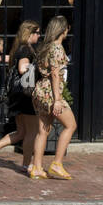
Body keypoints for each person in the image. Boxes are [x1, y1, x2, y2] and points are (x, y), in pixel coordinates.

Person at [0, 20, 40, 171]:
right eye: (37, 33)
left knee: (22, 132)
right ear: (30, 33)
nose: (39, 36)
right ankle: (27, 164)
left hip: (17, 95)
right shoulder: (26, 50)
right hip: (25, 95)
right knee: (32, 132)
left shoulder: (18, 48)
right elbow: (23, 69)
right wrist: (39, 67)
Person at [29, 15, 76, 180]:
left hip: (40, 91)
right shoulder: (57, 48)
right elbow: (55, 74)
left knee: (43, 131)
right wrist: (57, 99)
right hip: (50, 93)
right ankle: (56, 163)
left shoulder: (45, 47)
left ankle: (36, 167)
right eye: (67, 28)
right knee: (71, 126)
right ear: (63, 30)